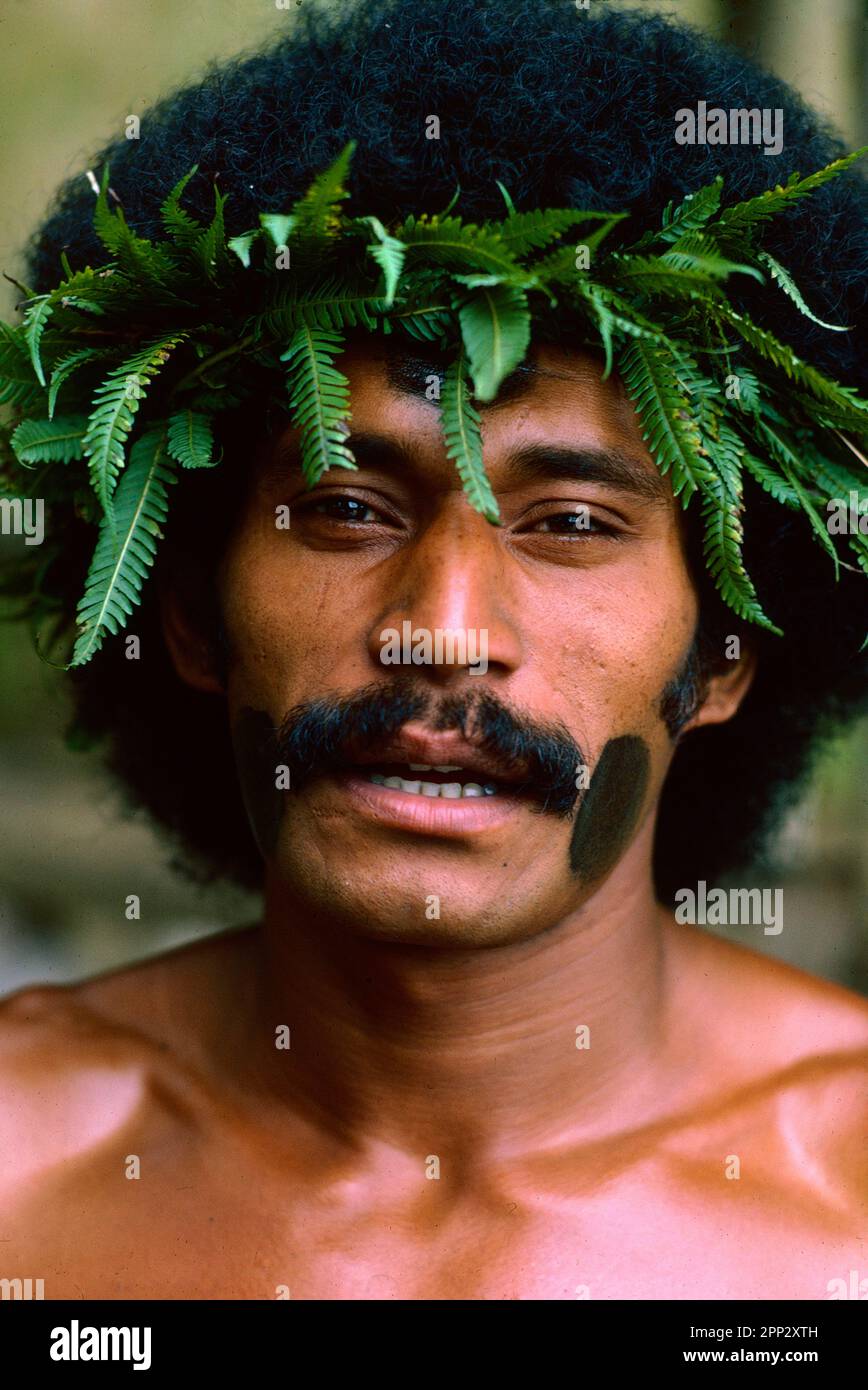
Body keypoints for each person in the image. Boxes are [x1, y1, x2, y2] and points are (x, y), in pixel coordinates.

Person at [1, 0, 866, 1301]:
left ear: (730, 650)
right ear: (188, 610)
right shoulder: (26, 1169)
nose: (444, 629)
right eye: (349, 508)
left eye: (570, 523)